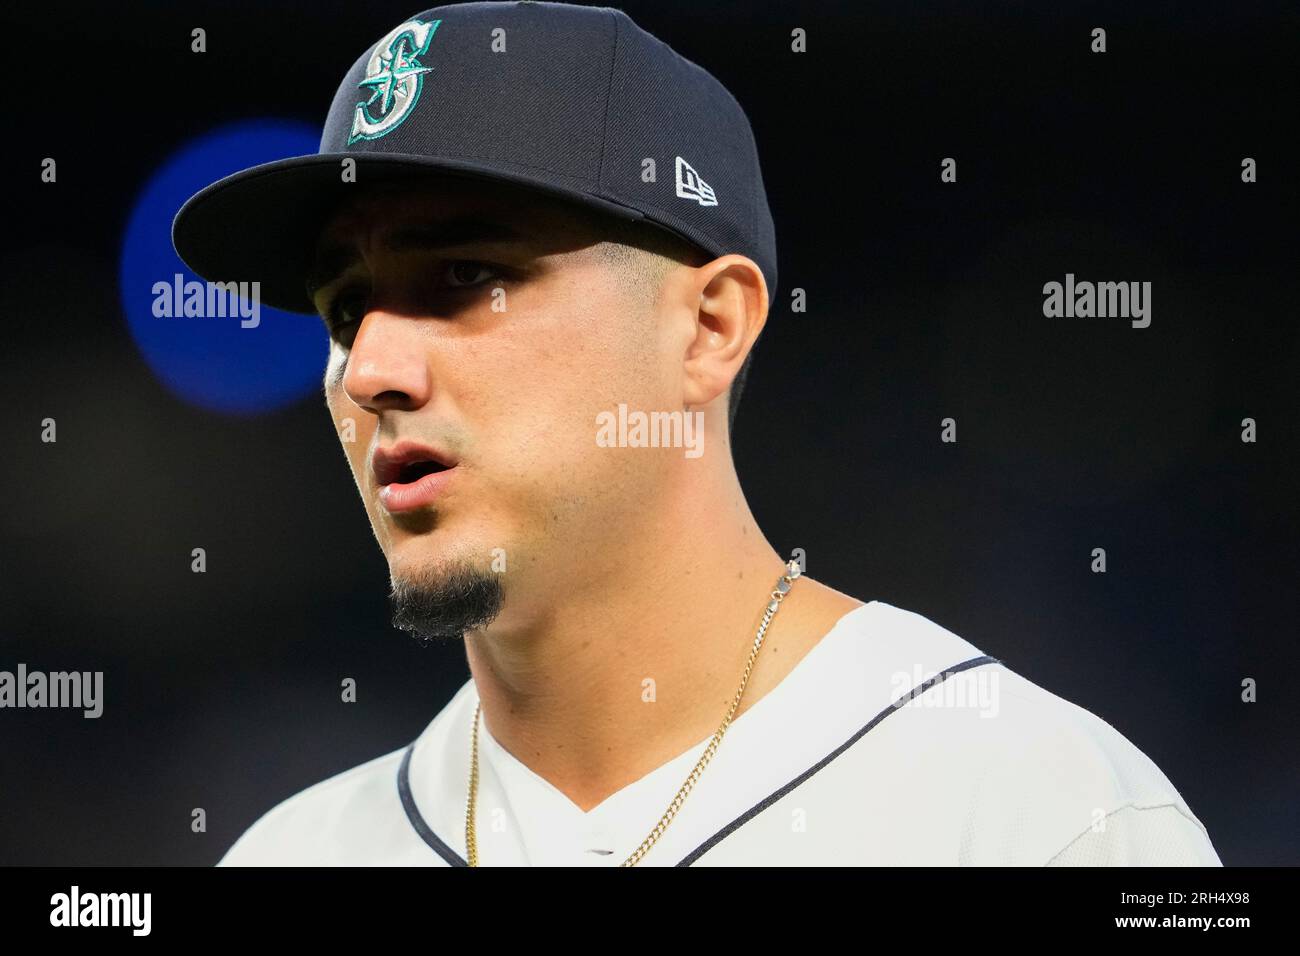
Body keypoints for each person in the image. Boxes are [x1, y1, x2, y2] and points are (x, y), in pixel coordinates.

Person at [172, 1, 1221, 866]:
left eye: (466, 277)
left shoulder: (1047, 817)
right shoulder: (294, 852)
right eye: (347, 307)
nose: (371, 371)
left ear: (708, 326)